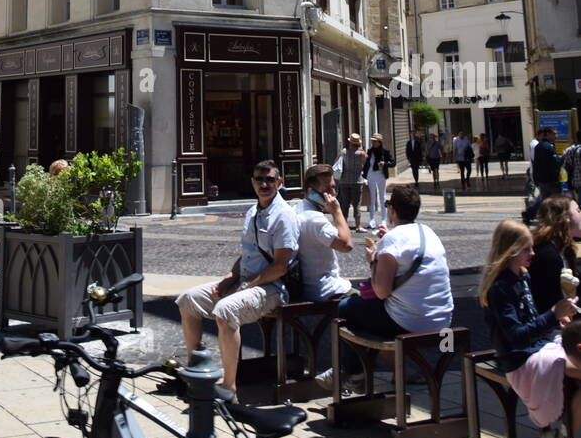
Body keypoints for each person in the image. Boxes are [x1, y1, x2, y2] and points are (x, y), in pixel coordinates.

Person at [176, 159, 296, 394]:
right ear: (252, 183)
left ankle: (229, 387)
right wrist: (230, 278)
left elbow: (280, 266)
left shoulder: (284, 216)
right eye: (259, 180)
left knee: (225, 310)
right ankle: (196, 369)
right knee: (187, 300)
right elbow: (248, 254)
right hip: (247, 281)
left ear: (280, 183)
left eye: (270, 180)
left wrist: (247, 286)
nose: (264, 184)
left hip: (273, 287)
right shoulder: (253, 211)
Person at [324, 184, 454, 392]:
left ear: (392, 211)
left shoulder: (393, 240)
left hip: (411, 322)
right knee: (367, 311)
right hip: (443, 319)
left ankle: (355, 373)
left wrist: (373, 259)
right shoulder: (428, 232)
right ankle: (397, 369)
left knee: (345, 308)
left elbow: (381, 291)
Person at [480, 219, 578, 438]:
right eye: (526, 249)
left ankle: (564, 436)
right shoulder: (500, 288)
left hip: (539, 347)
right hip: (519, 358)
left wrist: (558, 318)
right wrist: (553, 315)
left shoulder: (522, 277)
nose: (533, 254)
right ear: (510, 251)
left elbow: (531, 320)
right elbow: (516, 336)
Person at [296, 164, 353, 301]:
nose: (333, 193)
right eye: (327, 189)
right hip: (327, 290)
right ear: (311, 192)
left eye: (334, 187)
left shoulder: (298, 208)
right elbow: (346, 245)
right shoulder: (314, 219)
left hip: (311, 287)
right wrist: (337, 212)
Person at [530, 196, 581, 313]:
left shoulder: (563, 249)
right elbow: (550, 301)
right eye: (578, 211)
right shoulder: (547, 254)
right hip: (553, 327)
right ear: (565, 218)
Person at [335, 134, 366, 232]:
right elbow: (366, 163)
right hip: (357, 180)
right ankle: (358, 226)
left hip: (344, 180)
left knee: (345, 203)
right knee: (357, 204)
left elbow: (336, 161)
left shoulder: (343, 152)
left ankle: (344, 225)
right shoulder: (361, 153)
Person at [362, 134, 393, 229]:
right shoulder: (370, 151)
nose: (373, 142)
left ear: (379, 142)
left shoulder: (385, 152)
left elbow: (392, 162)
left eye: (375, 141)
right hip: (371, 175)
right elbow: (367, 163)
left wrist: (385, 163)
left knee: (382, 197)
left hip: (381, 175)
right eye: (372, 141)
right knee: (372, 198)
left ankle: (383, 220)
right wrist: (364, 174)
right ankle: (372, 220)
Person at [533, 128, 562, 200]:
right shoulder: (548, 146)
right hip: (551, 180)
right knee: (556, 202)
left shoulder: (538, 146)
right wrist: (563, 157)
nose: (556, 136)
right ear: (548, 134)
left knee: (546, 203)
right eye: (554, 134)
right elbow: (556, 162)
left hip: (542, 180)